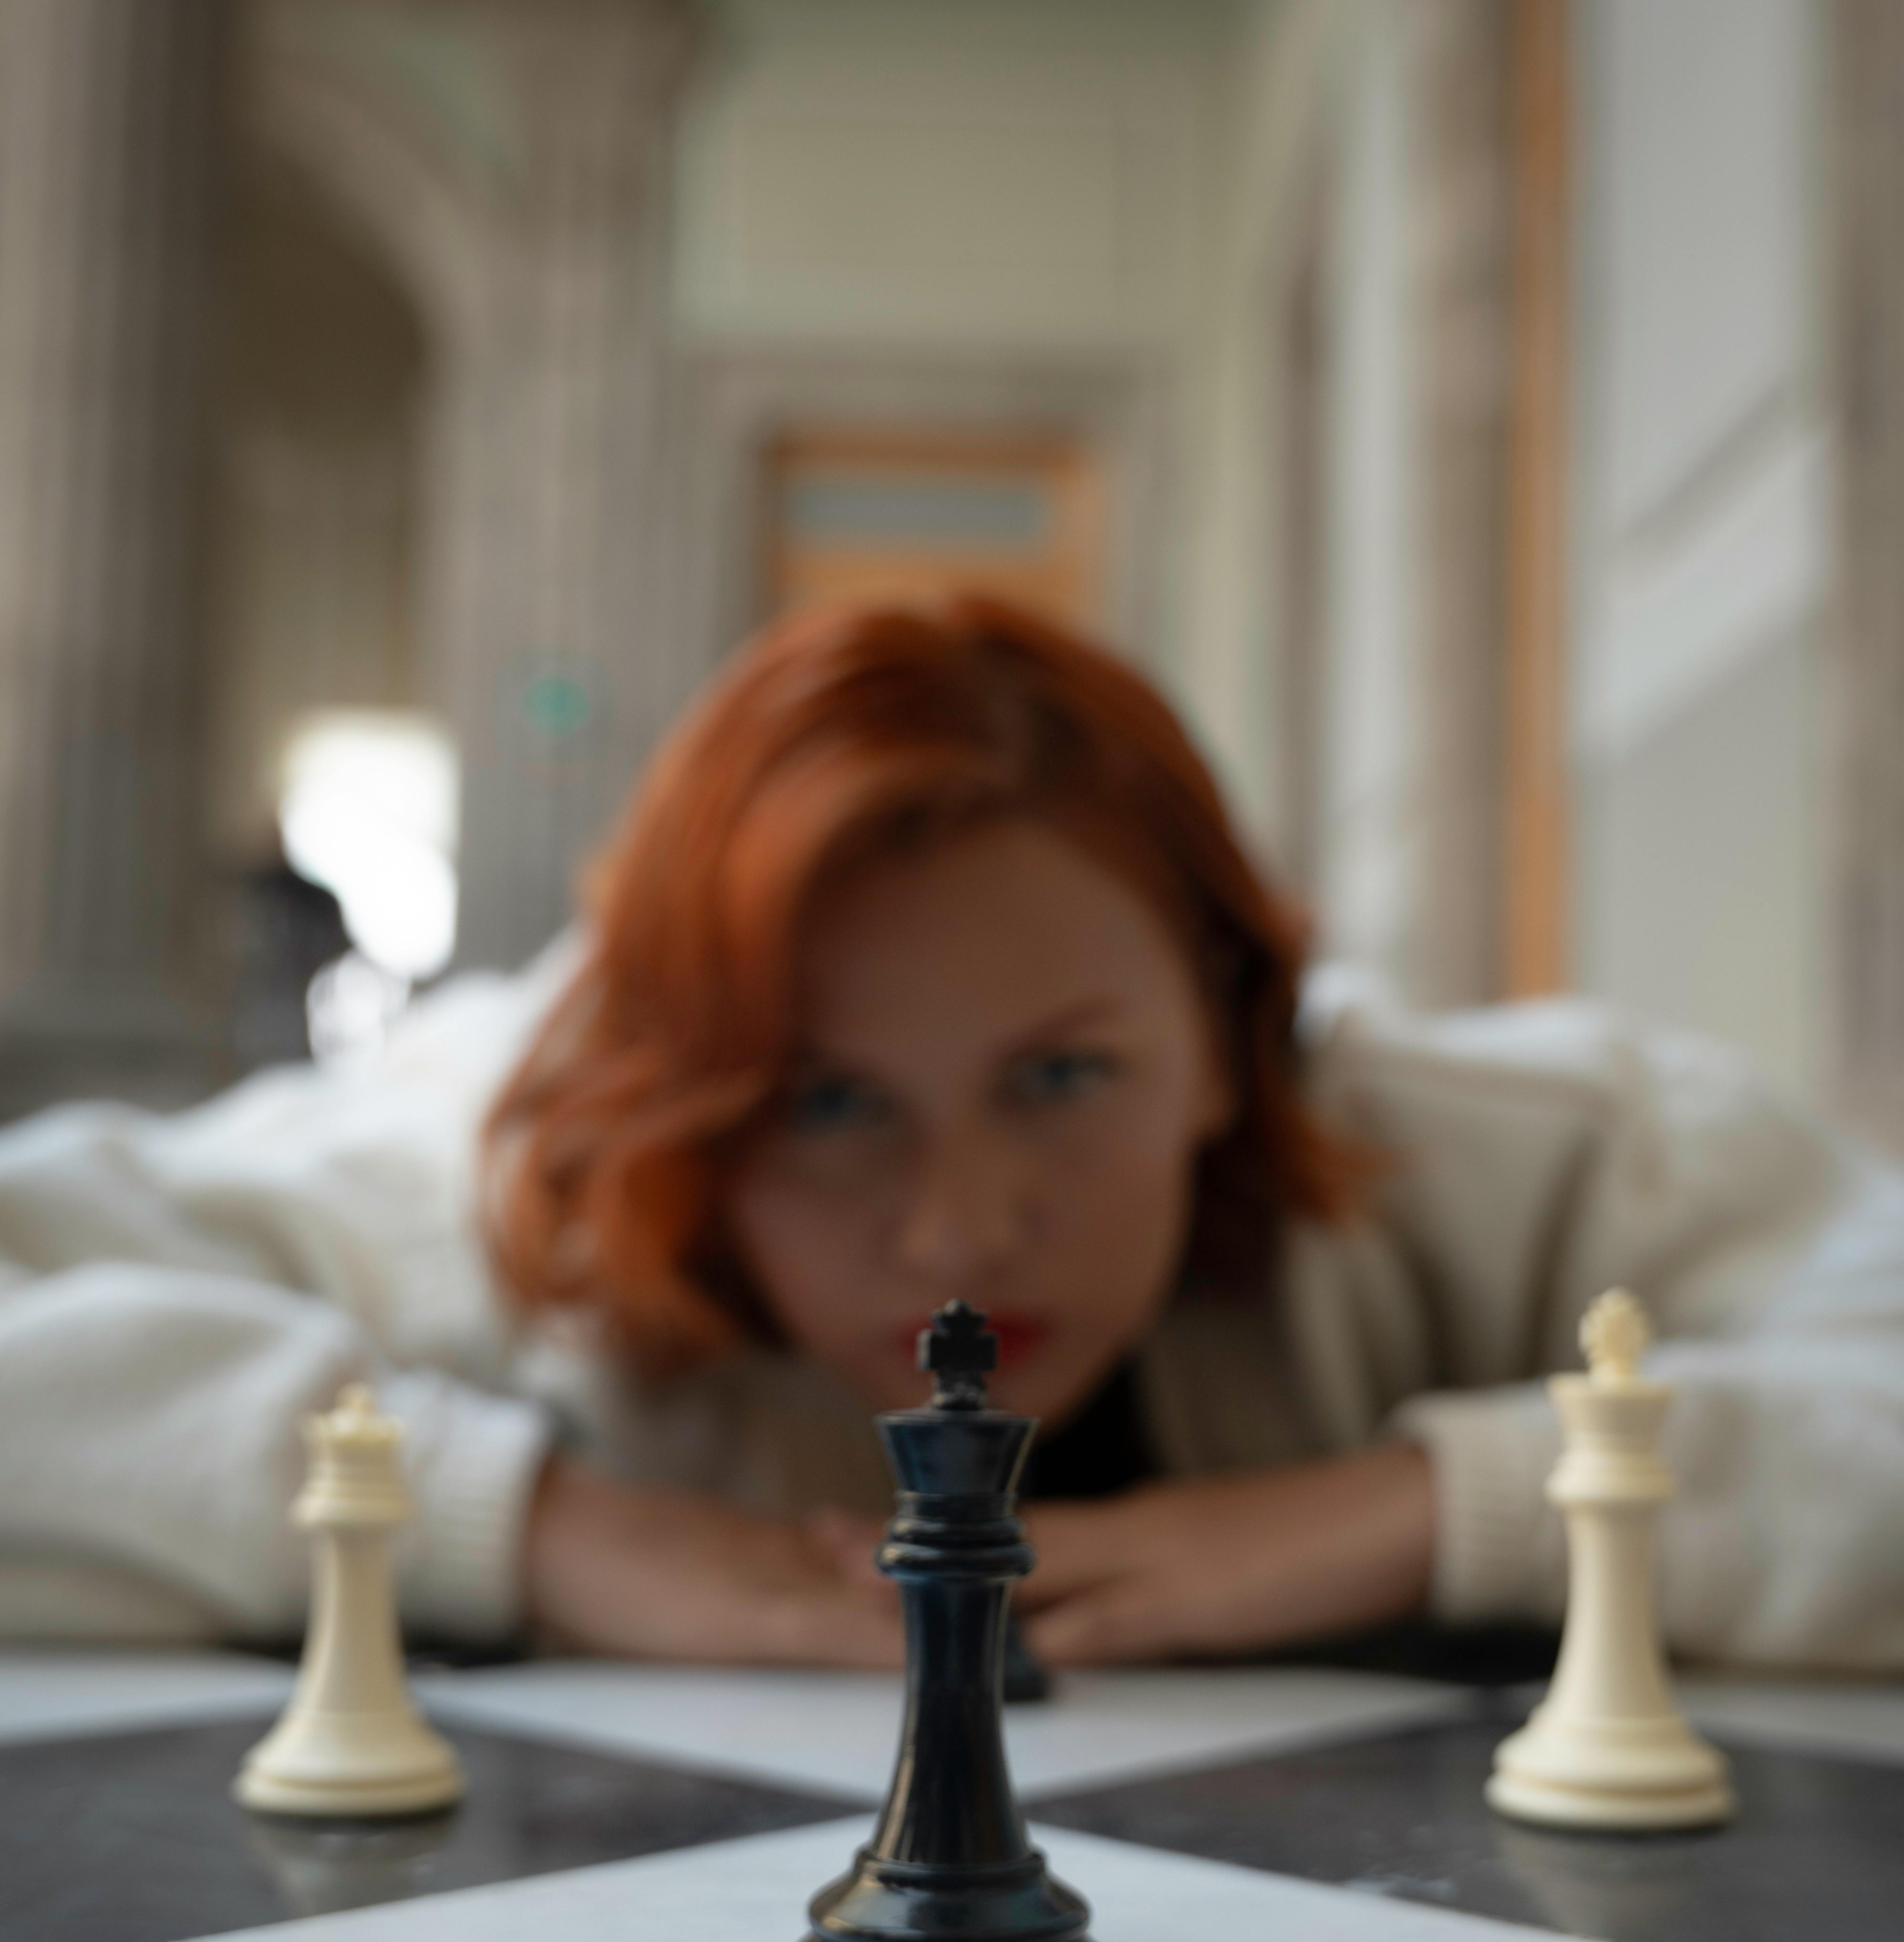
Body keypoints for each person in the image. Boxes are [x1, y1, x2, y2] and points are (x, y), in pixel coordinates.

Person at [3, 597, 1903, 1670]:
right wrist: (532, 1524)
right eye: (828, 1102)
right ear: (683, 1097)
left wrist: (1425, 1505)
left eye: (1064, 1075)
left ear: (1237, 1038)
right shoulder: (491, 1173)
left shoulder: (1452, 1133)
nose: (956, 1234)